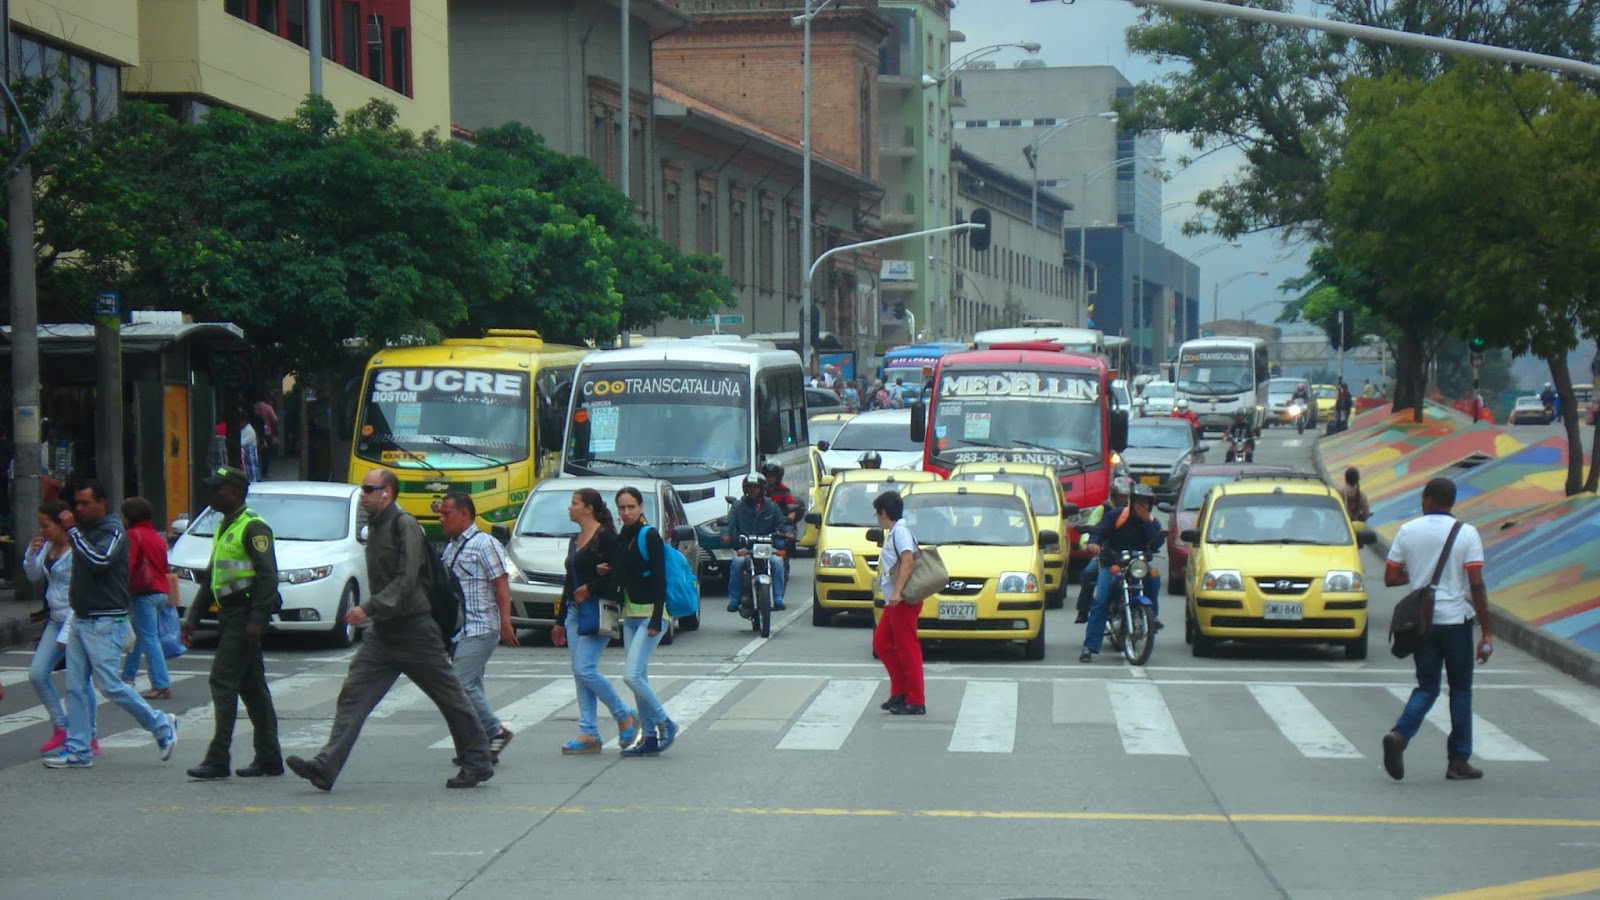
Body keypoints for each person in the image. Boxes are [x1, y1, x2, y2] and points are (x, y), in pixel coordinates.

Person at [285, 469, 494, 791]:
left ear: (387, 492)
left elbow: (407, 578)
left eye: (369, 489)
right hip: (383, 634)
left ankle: (478, 761)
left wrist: (367, 607)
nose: (364, 495)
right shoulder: (374, 528)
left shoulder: (403, 524)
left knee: (451, 697)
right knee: (354, 696)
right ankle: (326, 766)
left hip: (414, 630)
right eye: (363, 489)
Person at [46, 479, 178, 769]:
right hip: (82, 618)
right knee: (75, 686)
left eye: (85, 504)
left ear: (101, 504)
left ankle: (160, 725)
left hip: (105, 619)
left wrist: (71, 532)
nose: (78, 509)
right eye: (76, 504)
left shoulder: (114, 531)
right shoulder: (84, 531)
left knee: (109, 684)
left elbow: (99, 560)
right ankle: (80, 749)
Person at [1382, 477, 1492, 782]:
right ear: (1452, 502)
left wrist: (1419, 574)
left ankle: (1399, 736)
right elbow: (1476, 584)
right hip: (1456, 623)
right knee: (1460, 690)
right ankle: (1458, 761)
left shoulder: (1408, 530)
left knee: (1427, 687)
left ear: (1428, 499)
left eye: (1423, 498)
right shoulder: (1467, 534)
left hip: (1423, 623)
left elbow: (1391, 577)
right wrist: (1486, 632)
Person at [180, 466, 284, 780]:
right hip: (229, 616)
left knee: (222, 682)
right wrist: (192, 618)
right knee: (252, 688)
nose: (211, 495)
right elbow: (211, 577)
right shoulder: (226, 526)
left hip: (243, 617)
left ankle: (217, 758)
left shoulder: (254, 528)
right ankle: (269, 757)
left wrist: (256, 619)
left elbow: (268, 577)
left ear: (236, 492)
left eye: (218, 489)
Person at [552, 488, 639, 755]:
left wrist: (592, 586)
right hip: (574, 612)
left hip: (598, 609)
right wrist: (559, 620)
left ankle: (624, 715)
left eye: (575, 503)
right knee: (580, 673)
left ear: (588, 508)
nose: (570, 508)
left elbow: (620, 575)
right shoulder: (575, 539)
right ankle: (588, 732)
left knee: (585, 668)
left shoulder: (607, 537)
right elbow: (571, 580)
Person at [438, 492, 519, 765]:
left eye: (446, 513)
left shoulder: (485, 544)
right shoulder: (450, 548)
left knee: (459, 683)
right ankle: (480, 747)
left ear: (464, 514)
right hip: (458, 630)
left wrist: (506, 622)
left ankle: (496, 731)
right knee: (472, 685)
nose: (441, 519)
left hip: (481, 626)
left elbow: (501, 583)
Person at [605, 486, 678, 757]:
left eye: (631, 507)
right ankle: (648, 737)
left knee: (631, 676)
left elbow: (660, 579)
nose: (626, 512)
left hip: (650, 614)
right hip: (630, 614)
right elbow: (624, 576)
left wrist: (658, 618)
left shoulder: (649, 536)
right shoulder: (622, 537)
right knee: (640, 677)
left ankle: (665, 722)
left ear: (641, 508)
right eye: (622, 508)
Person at [25, 499, 86, 756]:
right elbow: (32, 575)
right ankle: (61, 726)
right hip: (55, 618)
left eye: (46, 525)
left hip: (75, 621)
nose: (42, 531)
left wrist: (66, 633)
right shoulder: (48, 546)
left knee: (79, 683)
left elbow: (80, 594)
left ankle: (86, 737)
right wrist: (31, 552)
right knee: (37, 674)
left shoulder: (76, 549)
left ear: (61, 524)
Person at [1079, 483, 1163, 663]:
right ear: (1132, 502)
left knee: (1154, 578)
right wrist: (1094, 543)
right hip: (1113, 563)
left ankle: (1152, 617)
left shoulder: (1152, 521)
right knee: (1101, 600)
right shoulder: (1116, 515)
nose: (1143, 506)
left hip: (1136, 565)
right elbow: (1099, 532)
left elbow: (1156, 544)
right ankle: (1089, 646)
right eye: (1140, 501)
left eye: (1147, 502)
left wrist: (1147, 522)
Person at [872, 490, 925, 715]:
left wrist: (897, 591)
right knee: (882, 644)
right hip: (894, 601)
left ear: (885, 513)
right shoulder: (895, 531)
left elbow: (908, 561)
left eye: (878, 513)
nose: (877, 517)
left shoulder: (900, 531)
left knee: (908, 649)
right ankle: (901, 691)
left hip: (900, 601)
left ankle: (915, 699)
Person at [117, 497, 174, 700]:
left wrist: (120, 589)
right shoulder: (156, 536)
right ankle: (127, 677)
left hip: (144, 592)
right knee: (140, 637)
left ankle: (161, 683)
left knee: (148, 638)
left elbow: (129, 565)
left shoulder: (133, 535)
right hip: (160, 590)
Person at [723, 473, 791, 613]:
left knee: (778, 562)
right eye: (750, 488)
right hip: (746, 547)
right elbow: (729, 523)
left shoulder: (772, 507)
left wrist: (788, 532)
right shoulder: (737, 506)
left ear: (762, 489)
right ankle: (734, 599)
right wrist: (725, 534)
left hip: (767, 547)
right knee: (737, 562)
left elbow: (781, 523)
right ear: (745, 489)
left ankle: (778, 598)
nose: (753, 490)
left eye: (756, 488)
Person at [1075, 478, 1131, 624]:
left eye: (1126, 496)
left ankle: (1148, 614)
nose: (1124, 499)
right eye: (1121, 496)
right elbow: (1091, 528)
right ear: (1113, 495)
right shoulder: (1102, 510)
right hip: (1106, 553)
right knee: (1088, 573)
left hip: (1127, 553)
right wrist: (1088, 544)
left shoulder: (1133, 511)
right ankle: (1083, 610)